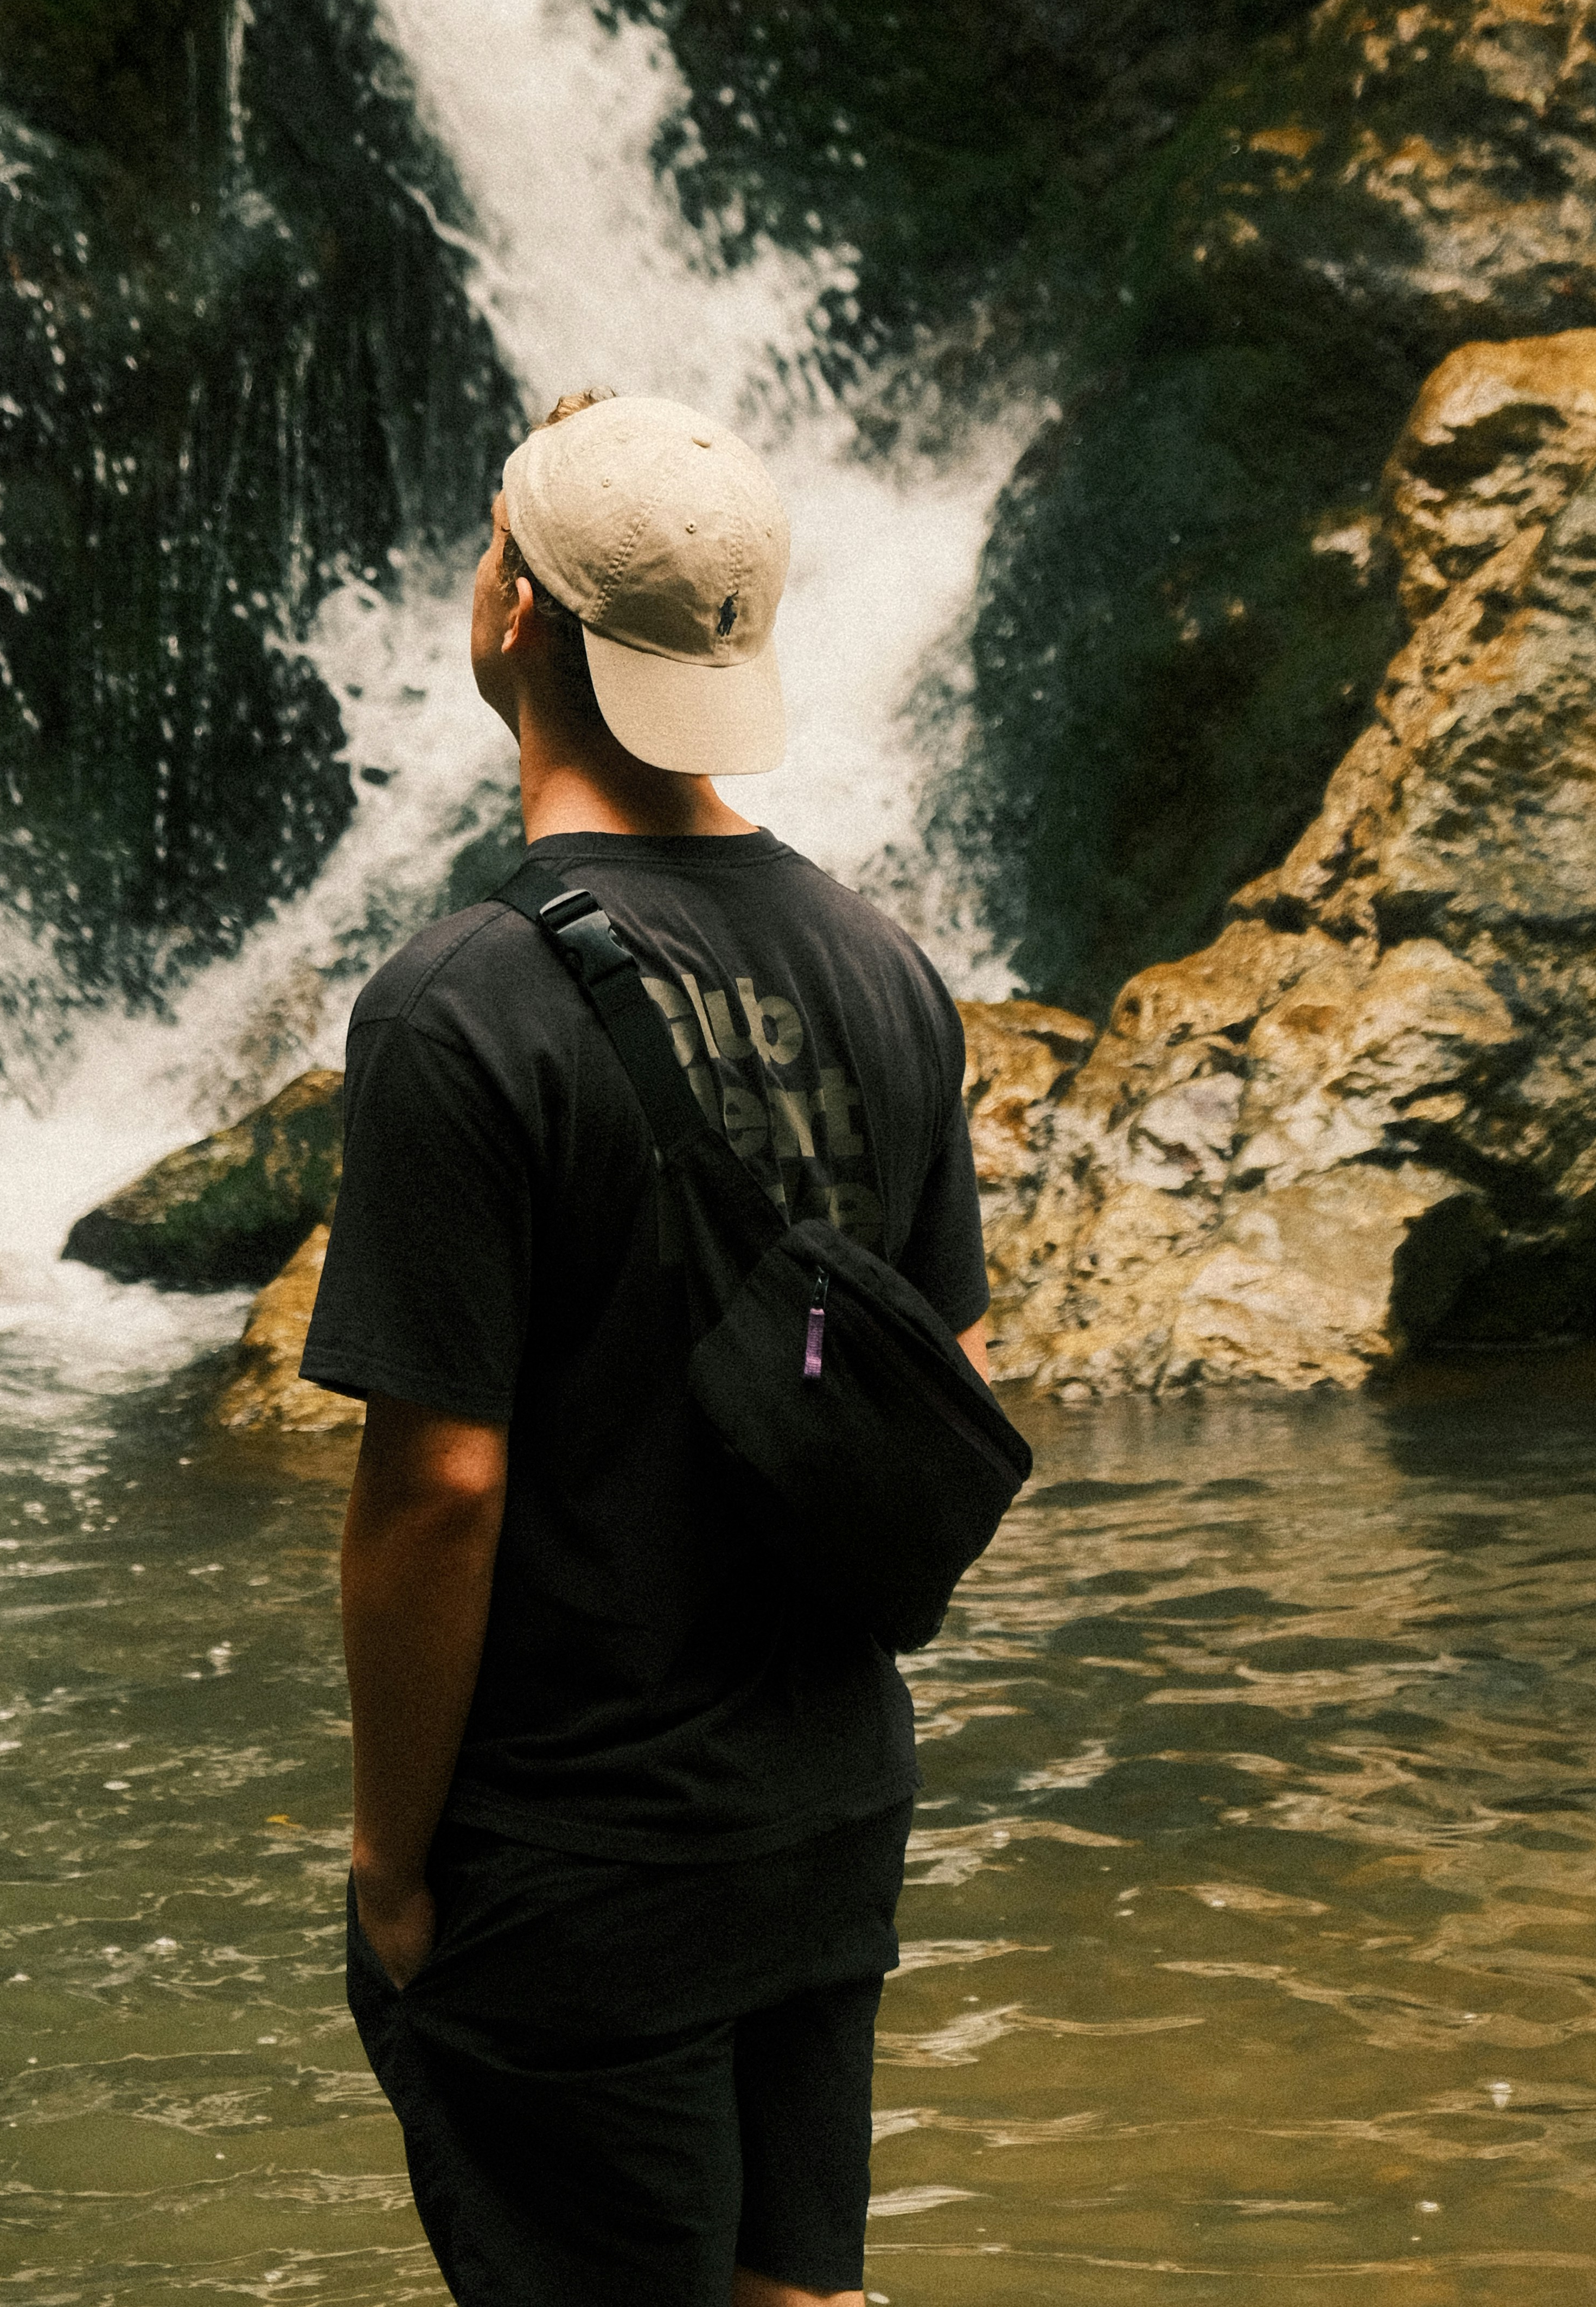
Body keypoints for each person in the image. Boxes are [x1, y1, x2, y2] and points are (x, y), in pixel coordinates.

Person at [299, 386, 992, 2307]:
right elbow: (949, 1376)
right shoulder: (885, 968)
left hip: (580, 1854)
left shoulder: (462, 1005)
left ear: (514, 613)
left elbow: (438, 1490)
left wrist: (388, 1866)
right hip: (827, 1810)